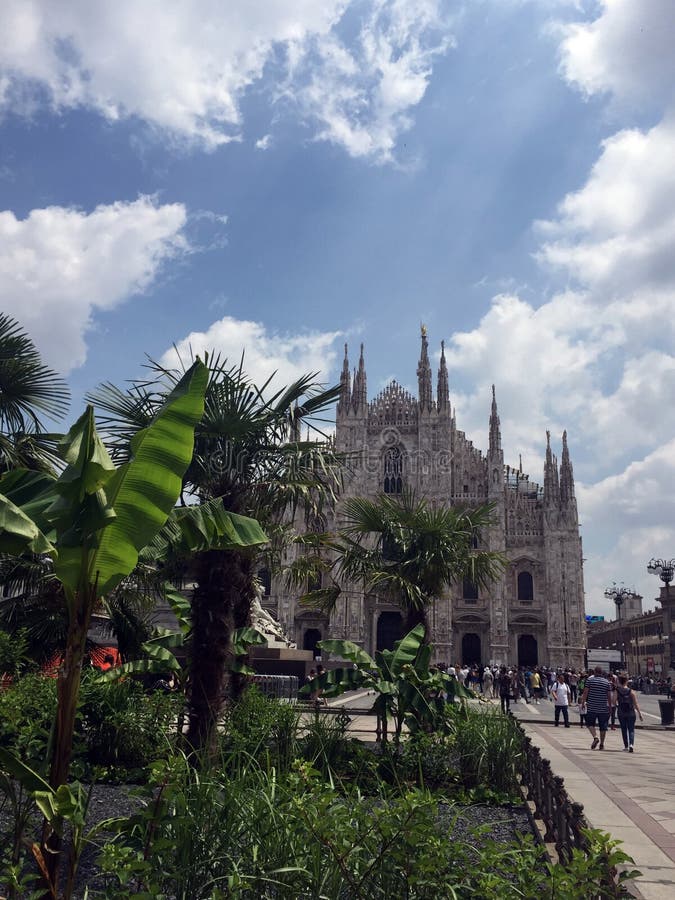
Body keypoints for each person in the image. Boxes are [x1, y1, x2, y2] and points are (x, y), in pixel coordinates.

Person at [580, 666, 613, 750]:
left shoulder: (590, 680)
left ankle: (595, 737)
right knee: (603, 727)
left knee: (589, 724)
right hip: (603, 708)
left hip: (592, 707)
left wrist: (583, 702)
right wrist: (610, 706)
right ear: (601, 673)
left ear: (595, 672)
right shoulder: (606, 682)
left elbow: (585, 692)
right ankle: (601, 744)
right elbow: (609, 696)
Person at [616, 674, 643, 752]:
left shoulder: (617, 691)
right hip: (631, 712)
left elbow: (614, 701)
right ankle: (631, 744)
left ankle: (626, 746)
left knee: (623, 729)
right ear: (626, 681)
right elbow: (636, 703)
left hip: (621, 712)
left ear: (620, 681)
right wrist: (639, 713)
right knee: (631, 729)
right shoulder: (631, 691)